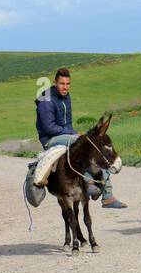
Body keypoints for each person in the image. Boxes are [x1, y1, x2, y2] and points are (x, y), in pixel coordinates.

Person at [35, 67, 126, 208]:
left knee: (95, 145)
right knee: (84, 145)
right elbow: (48, 127)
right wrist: (73, 135)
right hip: (50, 139)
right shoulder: (46, 99)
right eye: (62, 84)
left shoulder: (66, 97)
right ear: (55, 82)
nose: (65, 87)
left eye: (67, 84)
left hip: (67, 135)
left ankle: (107, 196)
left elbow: (68, 123)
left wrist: (76, 133)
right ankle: (88, 182)